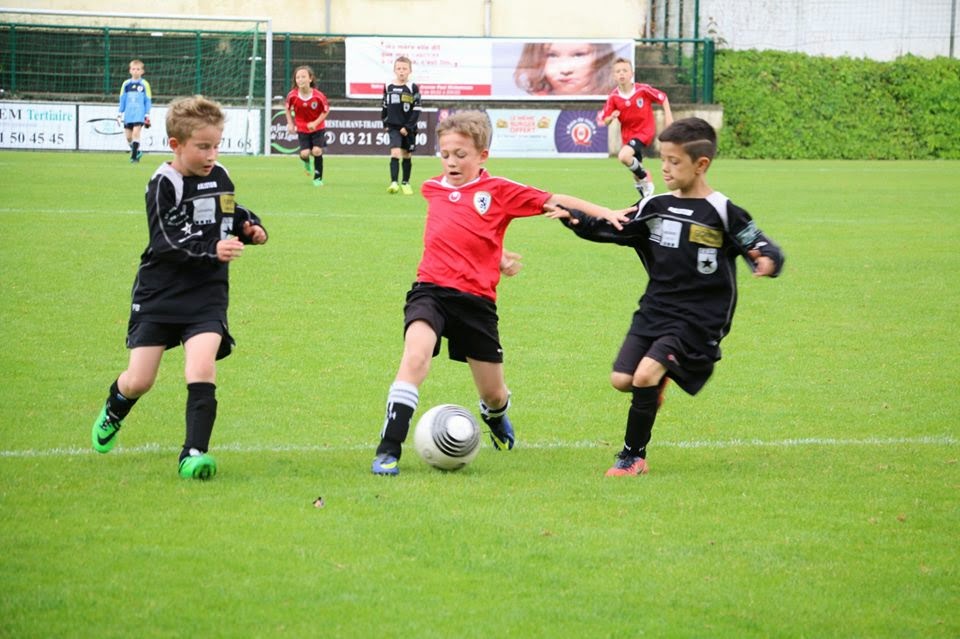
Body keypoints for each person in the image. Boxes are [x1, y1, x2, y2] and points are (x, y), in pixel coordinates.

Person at [371, 110, 634, 476]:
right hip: (429, 291)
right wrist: (496, 256)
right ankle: (388, 450)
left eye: (461, 154)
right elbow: (454, 235)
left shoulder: (499, 191)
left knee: (494, 393)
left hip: (476, 303)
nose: (451, 162)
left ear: (483, 156)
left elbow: (553, 198)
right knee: (415, 358)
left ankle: (493, 416)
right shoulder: (432, 189)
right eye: (445, 154)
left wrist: (604, 211)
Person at [551, 117, 785, 476]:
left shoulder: (724, 212)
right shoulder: (656, 206)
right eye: (664, 160)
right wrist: (575, 219)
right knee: (623, 380)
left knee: (644, 376)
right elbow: (614, 228)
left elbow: (762, 244)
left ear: (701, 164)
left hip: (699, 318)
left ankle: (632, 457)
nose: (666, 167)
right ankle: (657, 381)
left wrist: (767, 260)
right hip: (655, 309)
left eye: (675, 162)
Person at [90, 96, 269, 480]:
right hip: (160, 294)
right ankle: (115, 407)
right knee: (140, 380)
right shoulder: (162, 184)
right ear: (176, 144)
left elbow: (229, 211)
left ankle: (193, 453)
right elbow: (165, 244)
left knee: (201, 366)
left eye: (216, 145)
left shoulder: (220, 174)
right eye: (203, 146)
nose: (211, 154)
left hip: (206, 294)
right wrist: (212, 250)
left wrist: (250, 226)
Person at [601, 57, 673, 198]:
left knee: (624, 156)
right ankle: (646, 199)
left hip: (644, 131)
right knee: (635, 171)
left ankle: (646, 177)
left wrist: (669, 119)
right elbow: (606, 120)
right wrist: (612, 117)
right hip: (628, 135)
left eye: (625, 71)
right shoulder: (613, 97)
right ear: (614, 76)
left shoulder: (642, 90)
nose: (621, 74)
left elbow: (663, 98)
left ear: (631, 73)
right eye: (618, 71)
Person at [513, 42, 617, 96]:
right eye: (552, 55)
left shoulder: (616, 101)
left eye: (578, 55)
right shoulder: (535, 108)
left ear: (601, 58)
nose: (565, 69)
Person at [381, 55, 422, 195]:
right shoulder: (388, 86)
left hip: (408, 127)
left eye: (404, 68)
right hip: (393, 126)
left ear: (410, 71)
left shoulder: (412, 87)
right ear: (394, 70)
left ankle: (405, 182)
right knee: (395, 152)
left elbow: (416, 110)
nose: (401, 71)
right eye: (398, 68)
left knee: (406, 154)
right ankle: (394, 183)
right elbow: (384, 106)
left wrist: (408, 127)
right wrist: (385, 122)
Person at [285, 65, 330, 187]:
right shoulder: (292, 95)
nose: (300, 79)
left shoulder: (318, 96)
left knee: (316, 151)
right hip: (302, 128)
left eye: (303, 76)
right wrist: (290, 123)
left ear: (310, 79)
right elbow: (287, 109)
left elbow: (326, 110)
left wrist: (315, 123)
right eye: (297, 77)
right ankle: (305, 162)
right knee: (305, 153)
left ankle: (318, 178)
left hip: (318, 128)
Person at [117, 59, 152, 164]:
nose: (135, 71)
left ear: (142, 71)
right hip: (128, 114)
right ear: (130, 71)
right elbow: (122, 99)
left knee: (136, 133)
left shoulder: (144, 84)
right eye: (133, 69)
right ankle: (137, 151)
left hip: (139, 113)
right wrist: (119, 113)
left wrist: (147, 114)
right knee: (128, 137)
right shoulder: (126, 84)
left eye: (138, 69)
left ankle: (134, 158)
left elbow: (148, 99)